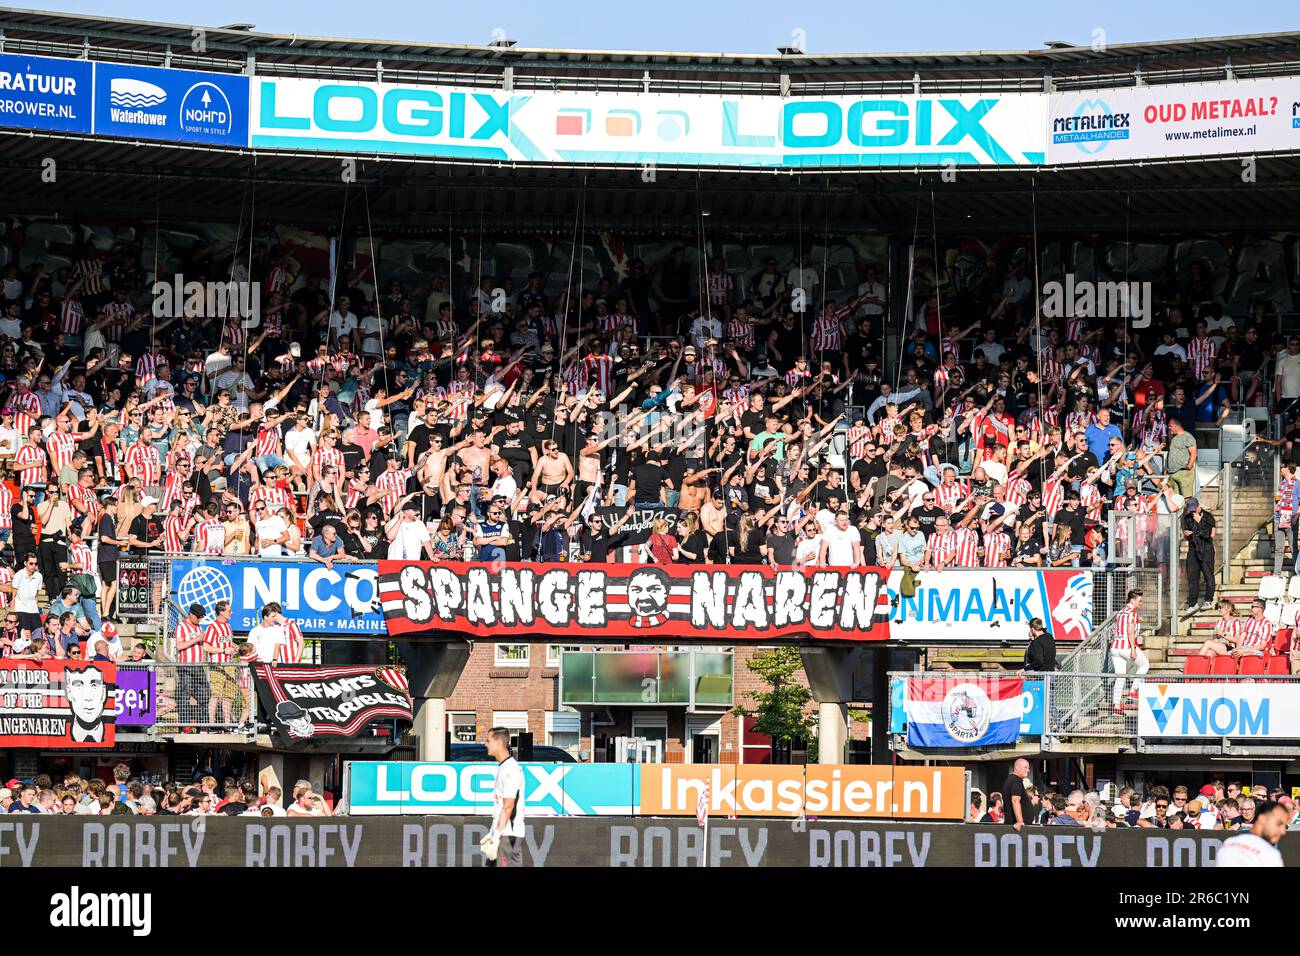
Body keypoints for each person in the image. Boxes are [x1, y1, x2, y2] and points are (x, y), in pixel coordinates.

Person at [483, 725, 526, 867]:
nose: (485, 744)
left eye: (488, 741)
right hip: (502, 834)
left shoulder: (510, 769)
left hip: (508, 835)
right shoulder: (503, 767)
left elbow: (508, 806)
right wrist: (493, 832)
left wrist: (497, 835)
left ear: (498, 743)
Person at [1217, 800, 1289, 867]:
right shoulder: (1270, 854)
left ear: (1254, 809)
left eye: (1249, 809)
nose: (1283, 831)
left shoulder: (1228, 843)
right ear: (1262, 819)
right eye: (1279, 824)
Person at [1111, 589, 1148, 713]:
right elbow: (1130, 631)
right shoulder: (1132, 612)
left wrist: (1137, 620)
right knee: (1145, 665)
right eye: (1139, 601)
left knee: (1120, 677)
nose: (1141, 603)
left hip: (1115, 648)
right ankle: (1133, 691)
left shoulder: (1121, 612)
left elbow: (1117, 628)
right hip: (1126, 646)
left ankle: (1116, 707)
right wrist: (1133, 649)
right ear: (1132, 600)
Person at [1181, 496, 1217, 614]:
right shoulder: (1187, 517)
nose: (1192, 512)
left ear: (1198, 506)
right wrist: (1187, 534)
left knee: (1208, 574)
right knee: (1192, 576)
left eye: (1193, 509)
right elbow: (1185, 534)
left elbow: (1210, 534)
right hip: (1193, 548)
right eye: (1190, 509)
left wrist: (1199, 522)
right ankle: (1193, 603)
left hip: (1206, 548)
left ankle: (1208, 599)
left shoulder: (1208, 516)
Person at [1001, 757, 1032, 831]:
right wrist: (1020, 821)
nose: (1028, 770)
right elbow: (1015, 800)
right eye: (1025, 767)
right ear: (1017, 768)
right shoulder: (1015, 780)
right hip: (1017, 828)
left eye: (1028, 768)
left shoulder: (1012, 780)